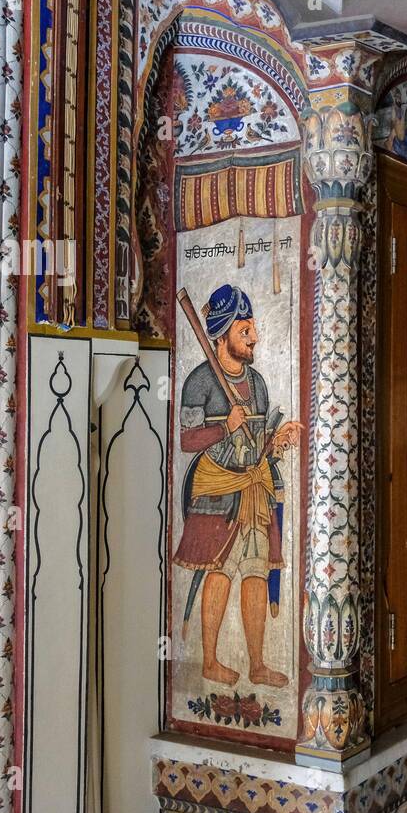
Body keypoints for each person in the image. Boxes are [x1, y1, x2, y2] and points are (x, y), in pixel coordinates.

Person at [173, 285, 302, 688]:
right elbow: (186, 440)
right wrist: (221, 428)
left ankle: (258, 664)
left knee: (255, 573)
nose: (255, 338)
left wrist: (277, 440)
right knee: (219, 572)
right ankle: (210, 661)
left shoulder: (258, 384)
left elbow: (256, 445)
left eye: (253, 329)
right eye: (245, 331)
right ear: (224, 333)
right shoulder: (200, 382)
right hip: (215, 491)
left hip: (252, 491)